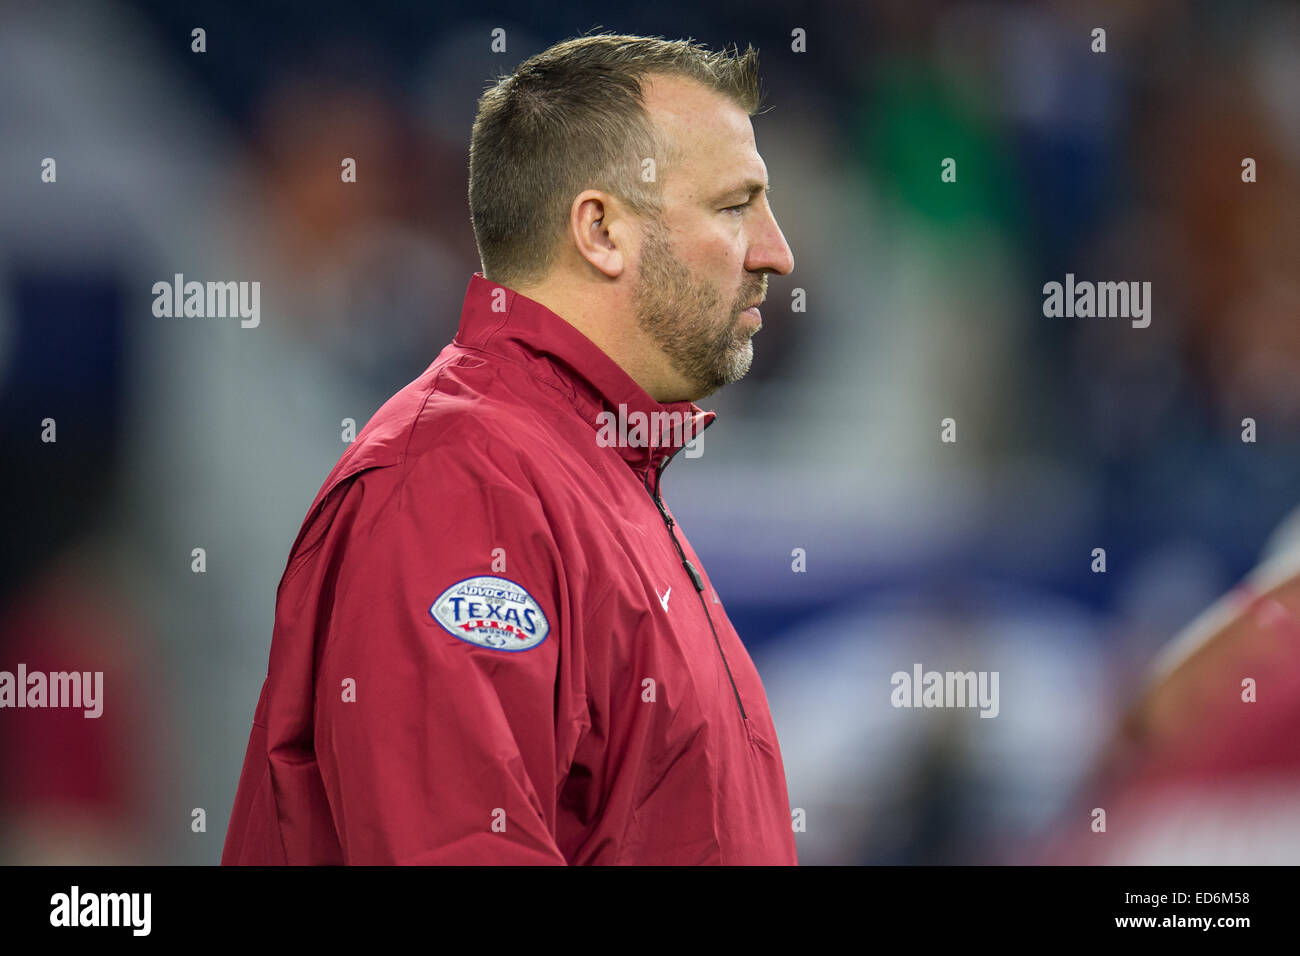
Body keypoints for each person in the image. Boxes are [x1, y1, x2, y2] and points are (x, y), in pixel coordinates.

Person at [221, 32, 797, 865]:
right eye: (735, 205)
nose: (777, 252)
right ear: (600, 231)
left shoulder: (579, 472)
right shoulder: (460, 482)